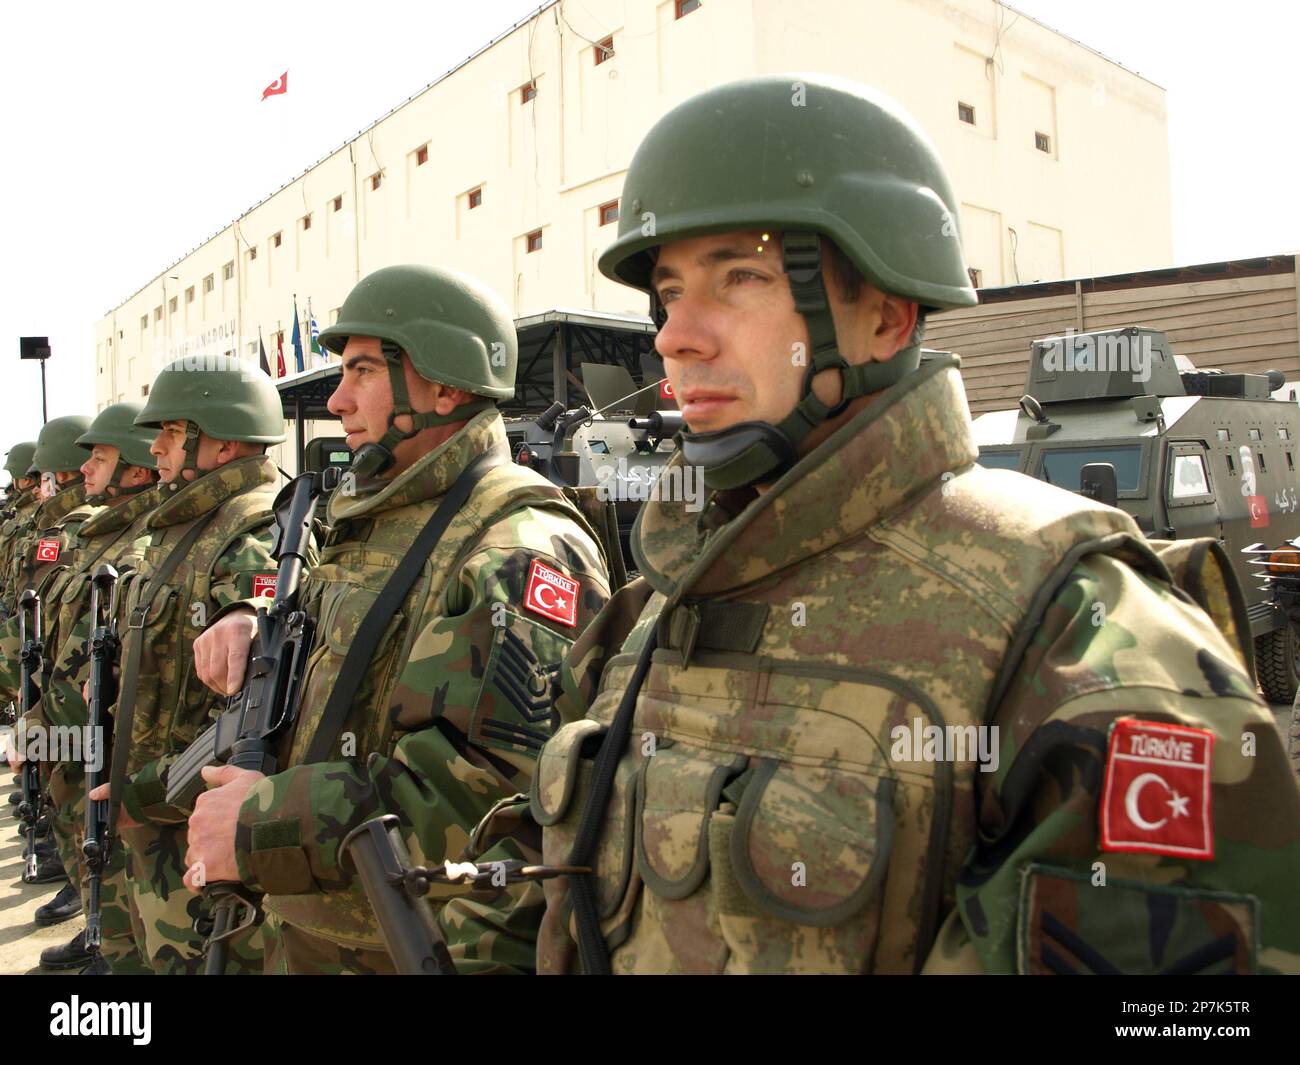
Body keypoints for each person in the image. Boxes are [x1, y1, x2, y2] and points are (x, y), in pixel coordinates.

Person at [438, 74, 1300, 975]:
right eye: (669, 291)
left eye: (740, 277)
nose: (675, 337)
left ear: (886, 318)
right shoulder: (652, 614)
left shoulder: (1080, 631)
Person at [184, 265, 612, 973]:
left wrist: (263, 824)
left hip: (404, 945)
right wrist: (254, 615)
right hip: (319, 926)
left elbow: (482, 801)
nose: (339, 399)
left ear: (446, 385)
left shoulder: (514, 543)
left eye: (362, 371)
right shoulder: (392, 513)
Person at [85, 356, 285, 975]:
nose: (157, 448)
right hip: (151, 804)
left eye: (172, 432)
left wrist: (247, 610)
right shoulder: (189, 522)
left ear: (220, 439)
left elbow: (265, 598)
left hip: (190, 815)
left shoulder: (256, 519)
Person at [21, 404, 161, 973]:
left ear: (132, 467)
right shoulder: (98, 533)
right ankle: (96, 926)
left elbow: (95, 646)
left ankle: (110, 942)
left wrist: (44, 726)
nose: (86, 471)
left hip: (95, 725)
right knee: (73, 821)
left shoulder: (139, 540)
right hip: (67, 718)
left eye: (100, 457)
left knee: (106, 840)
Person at [0, 416, 99, 891]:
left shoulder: (78, 533)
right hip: (53, 685)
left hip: (77, 701)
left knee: (83, 810)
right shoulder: (60, 527)